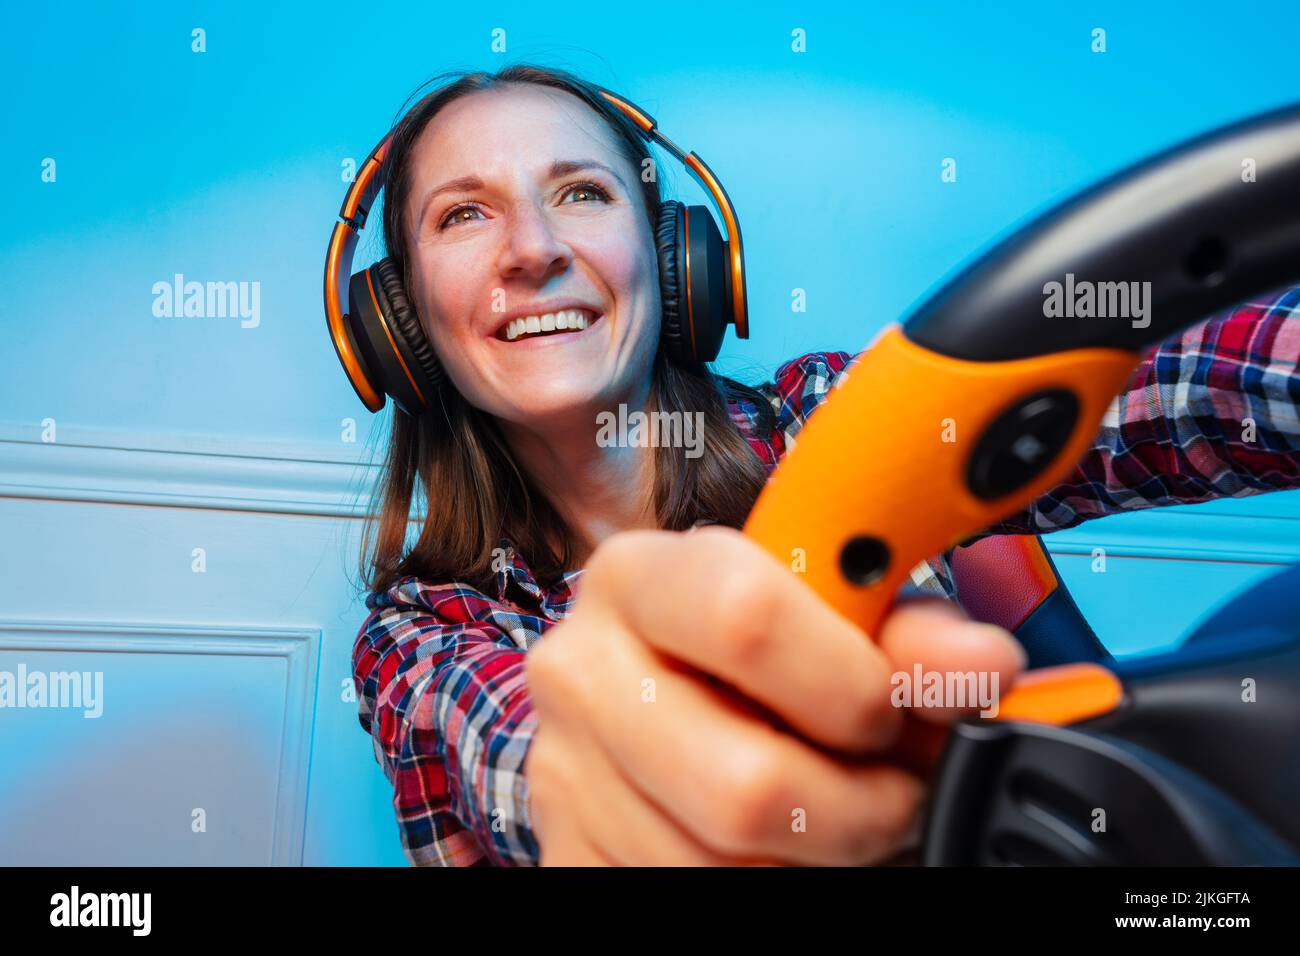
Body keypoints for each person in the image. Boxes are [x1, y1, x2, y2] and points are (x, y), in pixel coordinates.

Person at [349, 64, 1300, 866]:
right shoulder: (419, 637)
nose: (535, 249)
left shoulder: (829, 417)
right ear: (401, 326)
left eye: (582, 193)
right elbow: (528, 760)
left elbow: (1186, 386)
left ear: (675, 260)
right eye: (465, 214)